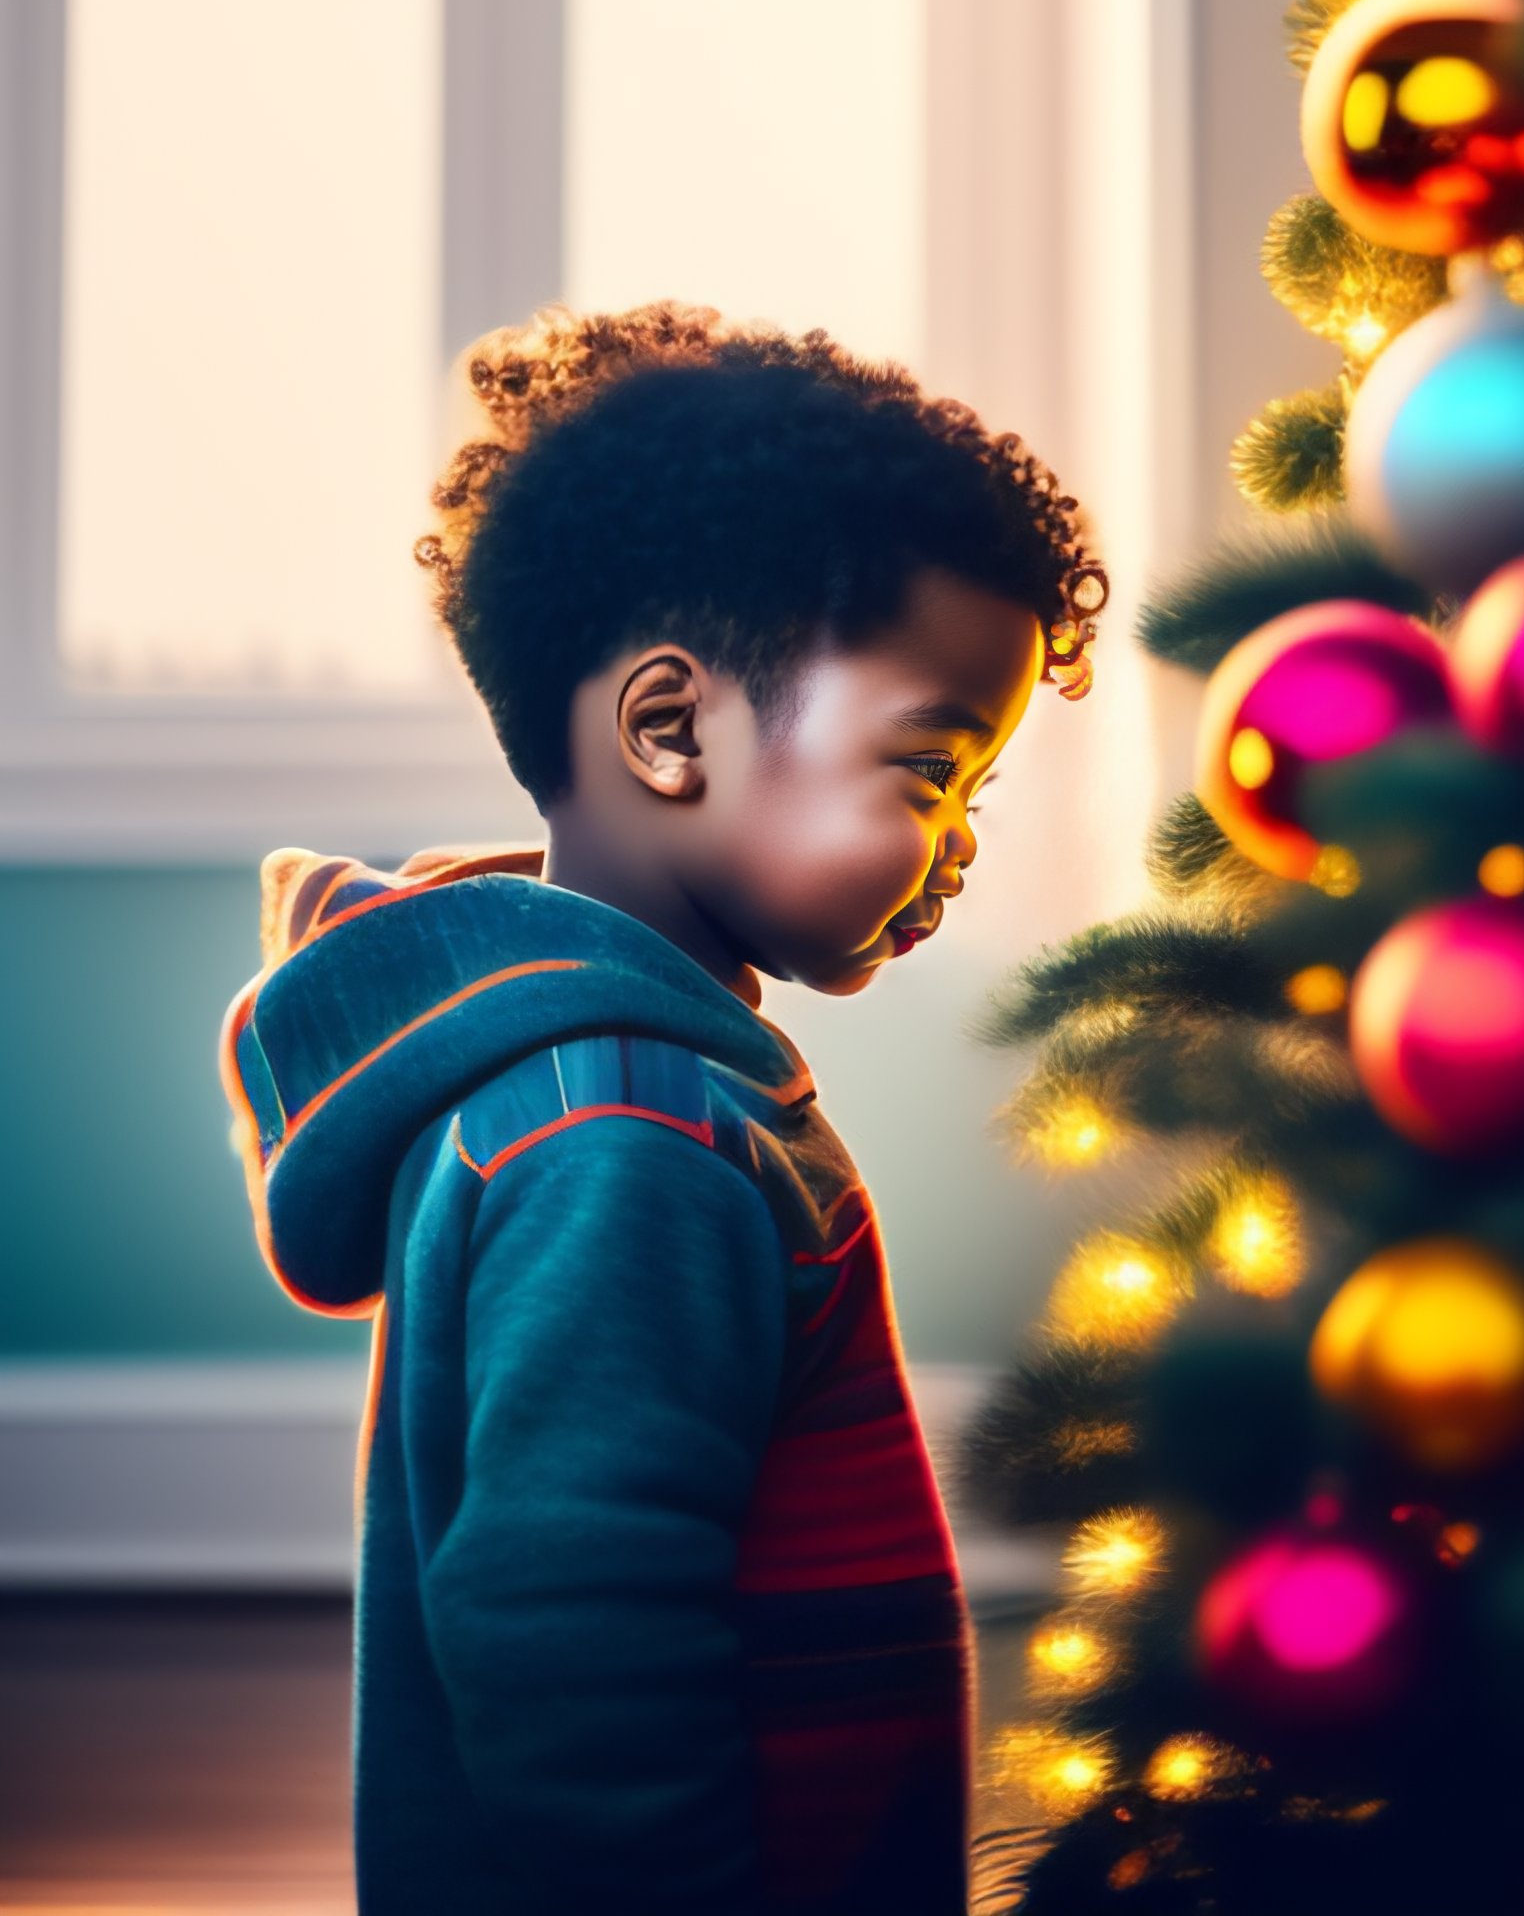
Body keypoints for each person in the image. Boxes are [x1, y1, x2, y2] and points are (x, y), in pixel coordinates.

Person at [221, 303, 1105, 1915]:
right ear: (669, 729)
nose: (957, 840)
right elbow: (572, 1634)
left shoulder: (591, 1081)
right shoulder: (628, 1137)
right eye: (928, 771)